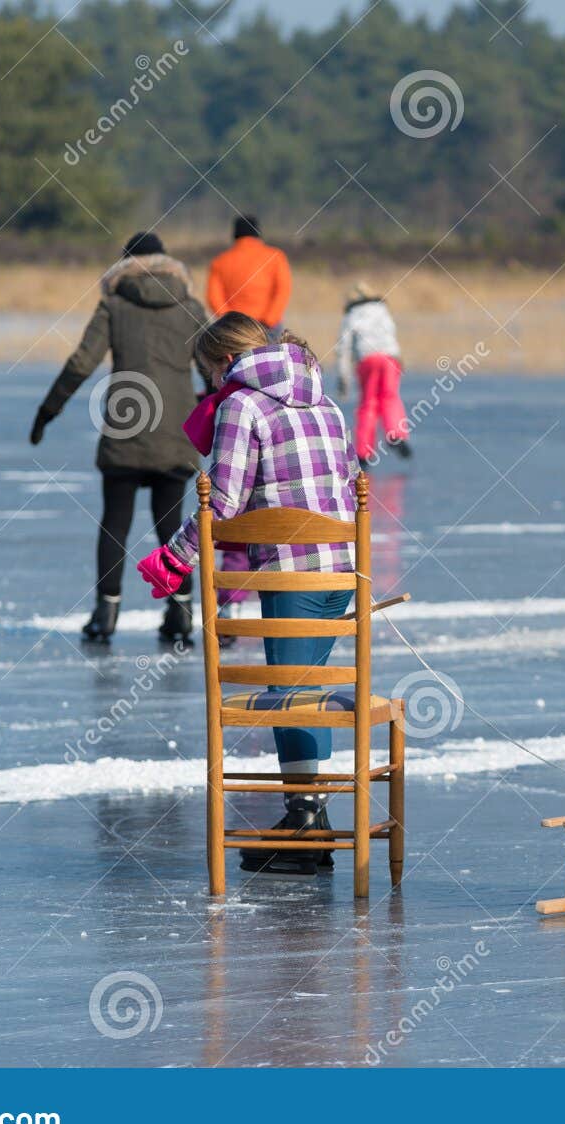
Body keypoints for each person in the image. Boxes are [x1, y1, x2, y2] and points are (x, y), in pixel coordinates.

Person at [136, 312, 357, 875]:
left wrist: (174, 558)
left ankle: (305, 827)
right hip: (340, 574)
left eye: (207, 374)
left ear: (221, 363)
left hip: (290, 575)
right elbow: (347, 487)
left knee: (292, 695)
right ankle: (309, 820)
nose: (209, 387)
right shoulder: (325, 402)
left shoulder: (243, 404)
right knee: (304, 692)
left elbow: (225, 501)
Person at [29, 232, 209, 644]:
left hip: (127, 430)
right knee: (172, 526)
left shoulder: (114, 304)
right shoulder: (191, 307)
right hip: (176, 433)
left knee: (115, 524)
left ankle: (106, 614)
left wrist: (47, 411)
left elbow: (81, 362)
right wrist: (216, 411)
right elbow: (214, 366)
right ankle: (180, 613)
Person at [333, 282, 409, 468]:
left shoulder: (350, 316)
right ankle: (396, 434)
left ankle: (363, 453)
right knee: (390, 396)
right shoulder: (382, 310)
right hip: (389, 358)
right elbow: (390, 335)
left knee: (368, 404)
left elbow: (343, 349)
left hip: (367, 359)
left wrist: (343, 380)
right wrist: (398, 358)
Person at [206, 215, 291, 338]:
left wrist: (229, 321)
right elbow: (283, 290)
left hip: (235, 328)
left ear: (235, 235)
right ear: (257, 233)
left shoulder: (220, 261)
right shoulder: (276, 257)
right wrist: (269, 319)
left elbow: (214, 297)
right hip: (268, 327)